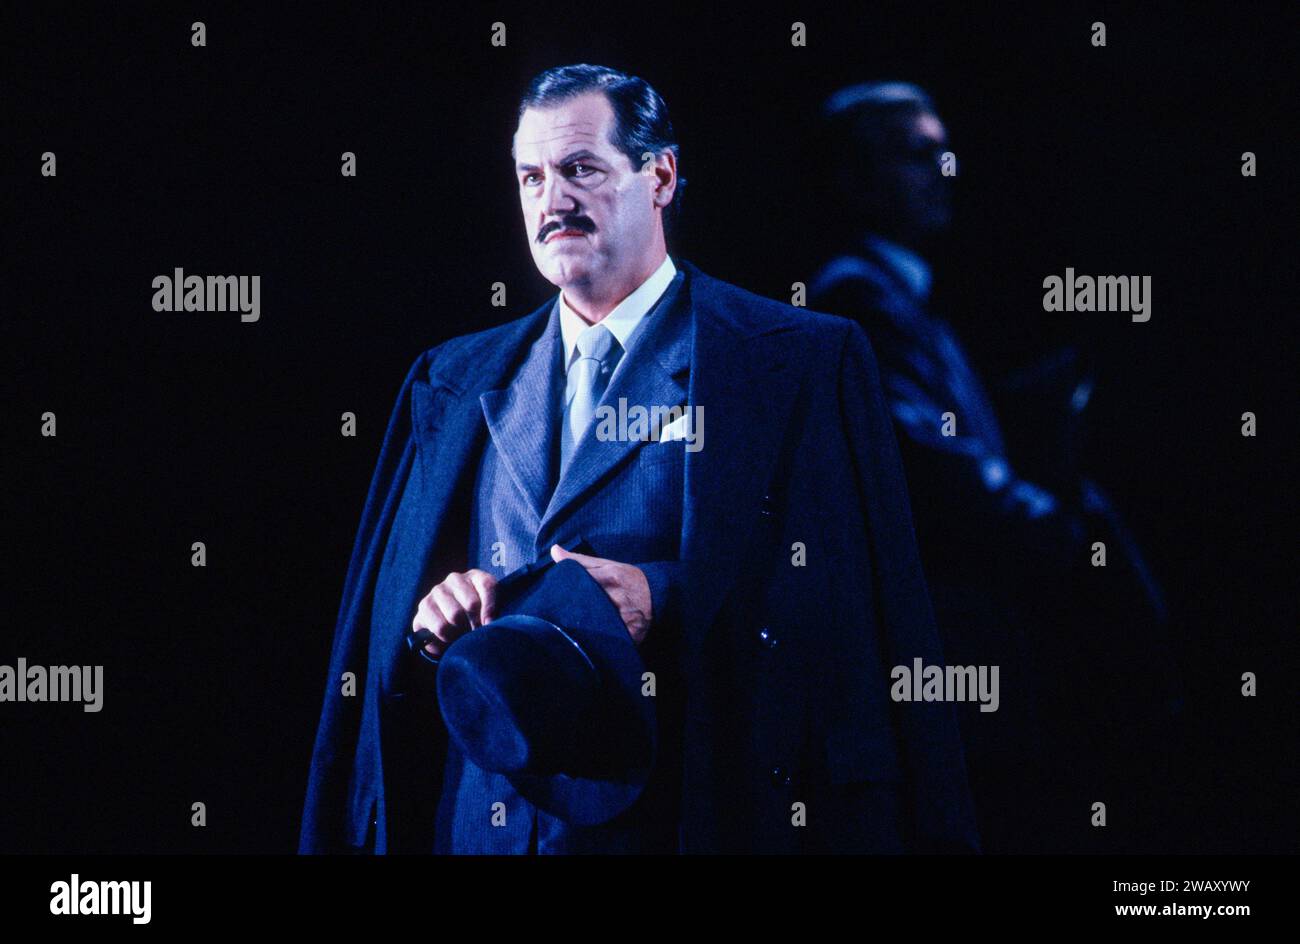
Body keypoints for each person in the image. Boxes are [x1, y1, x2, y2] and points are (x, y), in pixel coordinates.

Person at [299, 65, 978, 854]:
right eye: (531, 177)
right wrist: (434, 616)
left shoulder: (792, 361)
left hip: (690, 816)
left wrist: (666, 593)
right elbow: (377, 650)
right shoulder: (449, 381)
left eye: (581, 169)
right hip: (481, 825)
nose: (553, 201)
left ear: (659, 176)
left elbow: (856, 611)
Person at [809, 82, 1178, 851]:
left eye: (943, 152)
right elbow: (935, 472)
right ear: (853, 177)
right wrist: (1062, 528)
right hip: (948, 647)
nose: (943, 170)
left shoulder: (901, 301)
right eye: (916, 154)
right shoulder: (860, 296)